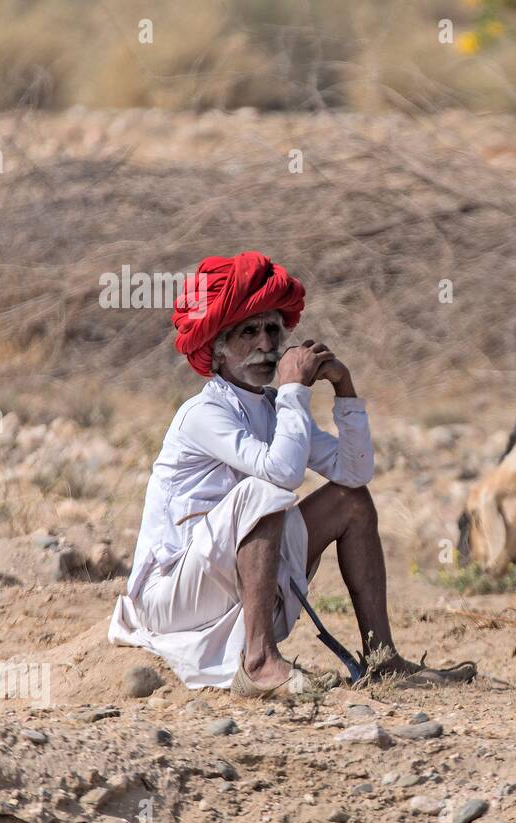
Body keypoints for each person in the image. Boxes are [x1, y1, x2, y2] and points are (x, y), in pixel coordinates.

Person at [108, 251, 474, 696]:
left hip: (224, 578)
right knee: (263, 492)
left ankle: (382, 659)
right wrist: (294, 389)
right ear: (218, 350)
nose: (266, 344)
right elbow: (280, 474)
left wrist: (345, 389)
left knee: (350, 502)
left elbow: (355, 472)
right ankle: (259, 661)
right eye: (249, 332)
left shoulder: (272, 407)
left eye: (272, 329)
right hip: (172, 595)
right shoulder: (203, 413)